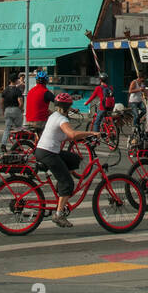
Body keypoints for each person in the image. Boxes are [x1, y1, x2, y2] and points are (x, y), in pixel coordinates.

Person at [34, 91, 98, 227]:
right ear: (67, 107)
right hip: (48, 153)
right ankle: (58, 214)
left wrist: (85, 136)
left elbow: (67, 136)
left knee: (73, 159)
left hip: (44, 150)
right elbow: (72, 134)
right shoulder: (62, 119)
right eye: (70, 106)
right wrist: (92, 132)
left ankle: (61, 187)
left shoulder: (54, 116)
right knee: (68, 183)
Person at [0, 72, 26, 150]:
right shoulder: (17, 90)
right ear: (16, 80)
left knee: (7, 128)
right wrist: (21, 110)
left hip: (7, 110)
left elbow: (1, 102)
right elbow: (20, 103)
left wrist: (3, 110)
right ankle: (18, 145)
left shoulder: (5, 90)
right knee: (19, 128)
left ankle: (3, 144)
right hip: (16, 110)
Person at [24, 69, 51, 134]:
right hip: (40, 121)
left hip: (28, 120)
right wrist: (72, 109)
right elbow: (59, 101)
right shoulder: (46, 92)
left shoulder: (31, 91)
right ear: (46, 81)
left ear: (36, 81)